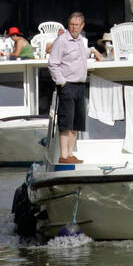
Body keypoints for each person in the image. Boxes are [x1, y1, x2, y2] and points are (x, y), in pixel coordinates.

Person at [47, 11, 103, 164]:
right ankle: (64, 156)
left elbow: (85, 55)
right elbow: (53, 63)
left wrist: (95, 52)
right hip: (68, 85)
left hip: (80, 85)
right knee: (66, 123)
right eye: (71, 24)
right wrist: (62, 82)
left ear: (82, 26)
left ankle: (70, 154)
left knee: (76, 123)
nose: (73, 27)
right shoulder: (61, 41)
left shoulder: (81, 41)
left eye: (77, 25)